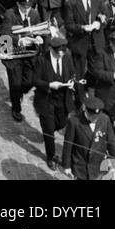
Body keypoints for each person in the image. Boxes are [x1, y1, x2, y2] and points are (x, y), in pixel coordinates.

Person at [32, 34, 77, 171]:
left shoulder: (66, 57)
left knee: (61, 124)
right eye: (58, 54)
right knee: (49, 131)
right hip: (47, 101)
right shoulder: (41, 60)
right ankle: (51, 156)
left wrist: (71, 82)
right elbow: (35, 80)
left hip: (63, 101)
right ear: (52, 50)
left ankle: (51, 128)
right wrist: (50, 85)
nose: (61, 56)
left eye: (63, 53)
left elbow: (73, 73)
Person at [61, 96, 115, 181]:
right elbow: (68, 144)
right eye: (92, 117)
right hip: (80, 166)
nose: (95, 119)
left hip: (98, 164)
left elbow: (111, 141)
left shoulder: (105, 119)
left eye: (97, 117)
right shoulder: (74, 121)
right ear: (86, 110)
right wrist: (66, 166)